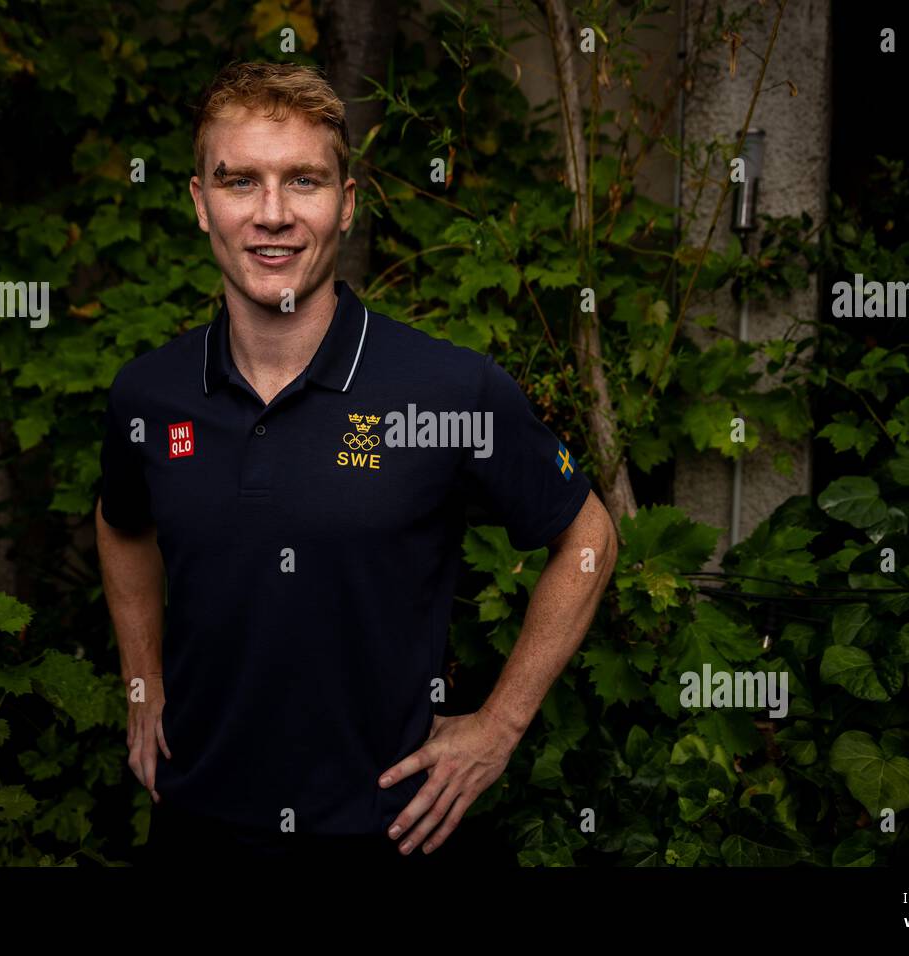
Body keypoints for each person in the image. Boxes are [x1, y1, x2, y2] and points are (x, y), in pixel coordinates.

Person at [95, 61, 617, 866]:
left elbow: (589, 539)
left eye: (303, 181)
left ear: (347, 202)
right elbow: (121, 523)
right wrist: (143, 683)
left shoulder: (448, 388)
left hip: (386, 835)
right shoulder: (149, 395)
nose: (272, 215)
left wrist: (499, 725)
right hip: (192, 821)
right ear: (201, 205)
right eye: (241, 182)